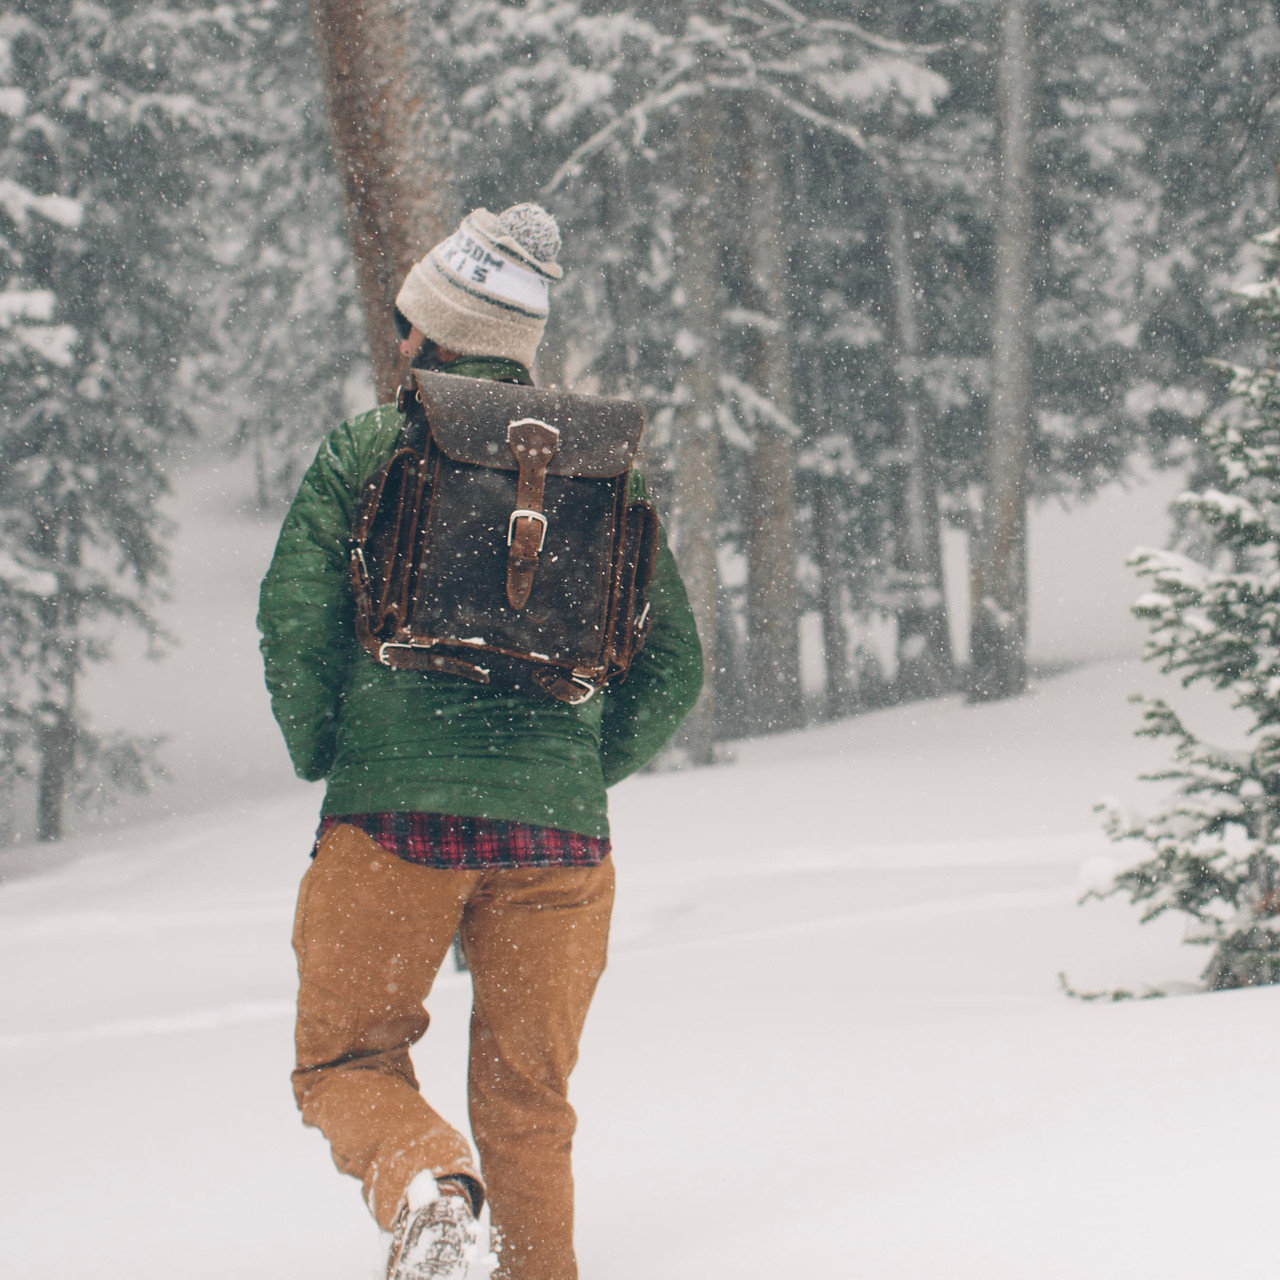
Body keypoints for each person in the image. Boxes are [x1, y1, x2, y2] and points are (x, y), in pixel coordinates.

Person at [257, 202, 703, 1280]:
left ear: (432, 332)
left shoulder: (371, 447)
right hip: (560, 846)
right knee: (528, 1099)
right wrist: (568, 773)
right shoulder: (604, 472)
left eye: (403, 321)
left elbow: (294, 616)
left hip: (392, 822)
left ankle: (425, 1184)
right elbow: (675, 666)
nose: (396, 339)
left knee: (345, 1058)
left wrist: (333, 749)